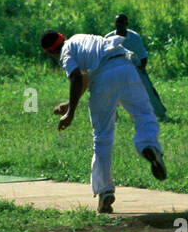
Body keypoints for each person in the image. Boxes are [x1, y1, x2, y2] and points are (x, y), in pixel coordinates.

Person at [40, 29, 167, 213]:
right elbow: (84, 77)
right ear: (62, 37)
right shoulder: (80, 39)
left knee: (102, 137)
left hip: (102, 79)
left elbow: (76, 77)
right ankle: (150, 146)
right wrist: (70, 103)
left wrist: (71, 113)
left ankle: (105, 192)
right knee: (144, 115)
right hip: (124, 66)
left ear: (50, 52)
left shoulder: (66, 52)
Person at [106, 13, 167, 119]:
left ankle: (160, 113)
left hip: (134, 67)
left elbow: (143, 55)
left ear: (126, 24)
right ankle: (112, 117)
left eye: (121, 22)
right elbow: (104, 57)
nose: (119, 25)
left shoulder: (134, 37)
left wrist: (142, 69)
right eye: (117, 22)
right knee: (109, 92)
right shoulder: (108, 38)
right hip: (115, 69)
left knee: (148, 89)